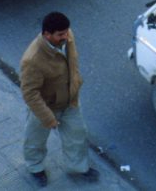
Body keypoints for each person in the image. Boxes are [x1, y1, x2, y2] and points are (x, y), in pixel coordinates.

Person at [20, 12, 98, 187]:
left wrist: (76, 84)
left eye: (67, 32)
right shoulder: (32, 60)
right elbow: (30, 94)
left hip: (70, 101)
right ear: (47, 34)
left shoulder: (67, 36)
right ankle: (35, 167)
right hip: (45, 107)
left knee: (77, 136)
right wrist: (48, 118)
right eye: (61, 34)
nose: (66, 36)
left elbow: (73, 61)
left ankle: (78, 167)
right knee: (35, 140)